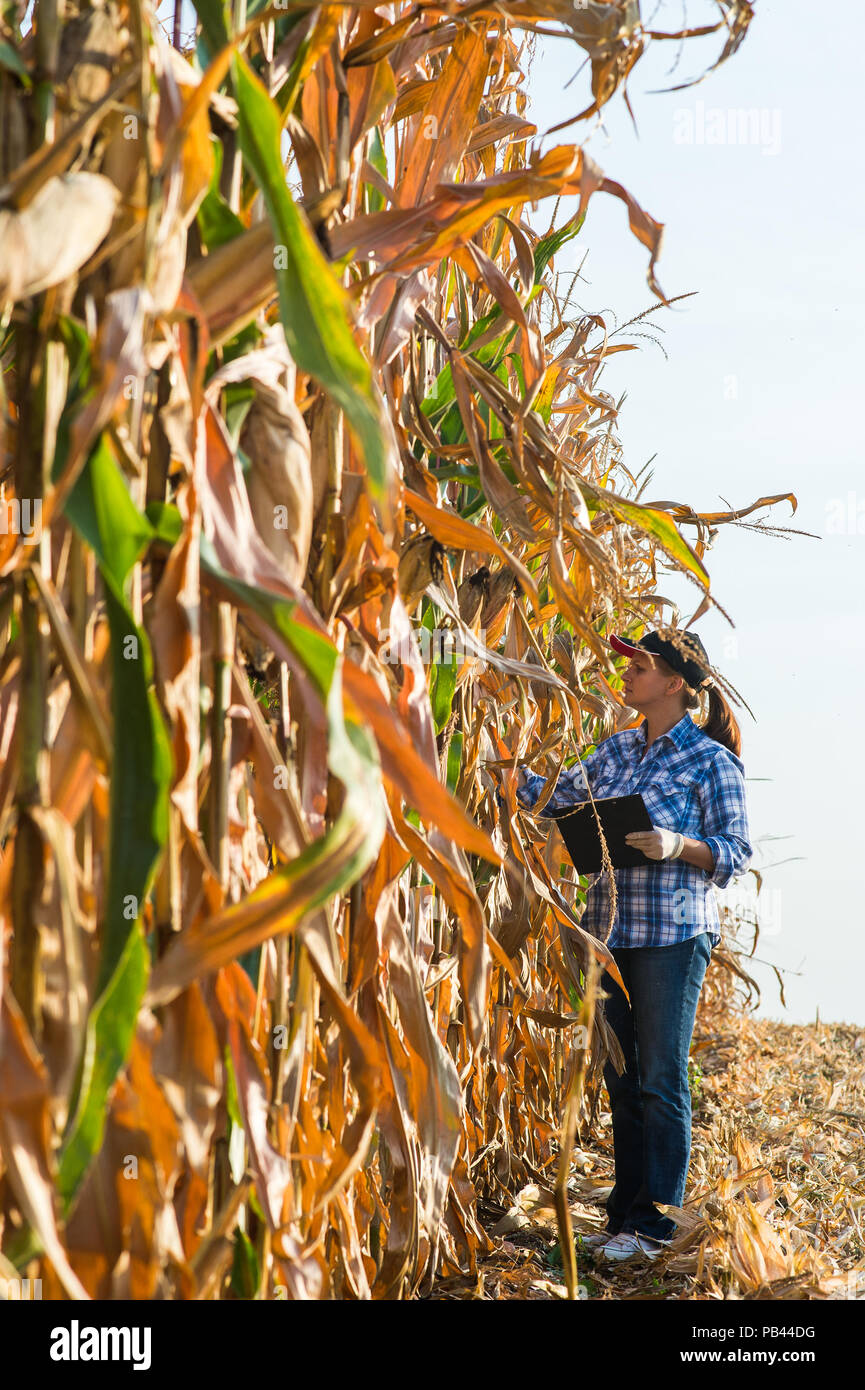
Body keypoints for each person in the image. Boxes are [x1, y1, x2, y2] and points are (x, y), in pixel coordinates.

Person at [509, 627, 752, 1262]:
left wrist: (679, 846)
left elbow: (737, 853)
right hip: (611, 933)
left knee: (662, 1078)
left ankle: (654, 1229)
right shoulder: (616, 750)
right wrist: (498, 767)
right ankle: (623, 1219)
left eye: (639, 666)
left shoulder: (710, 762)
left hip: (674, 935)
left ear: (674, 683)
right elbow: (557, 798)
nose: (627, 674)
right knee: (622, 1077)